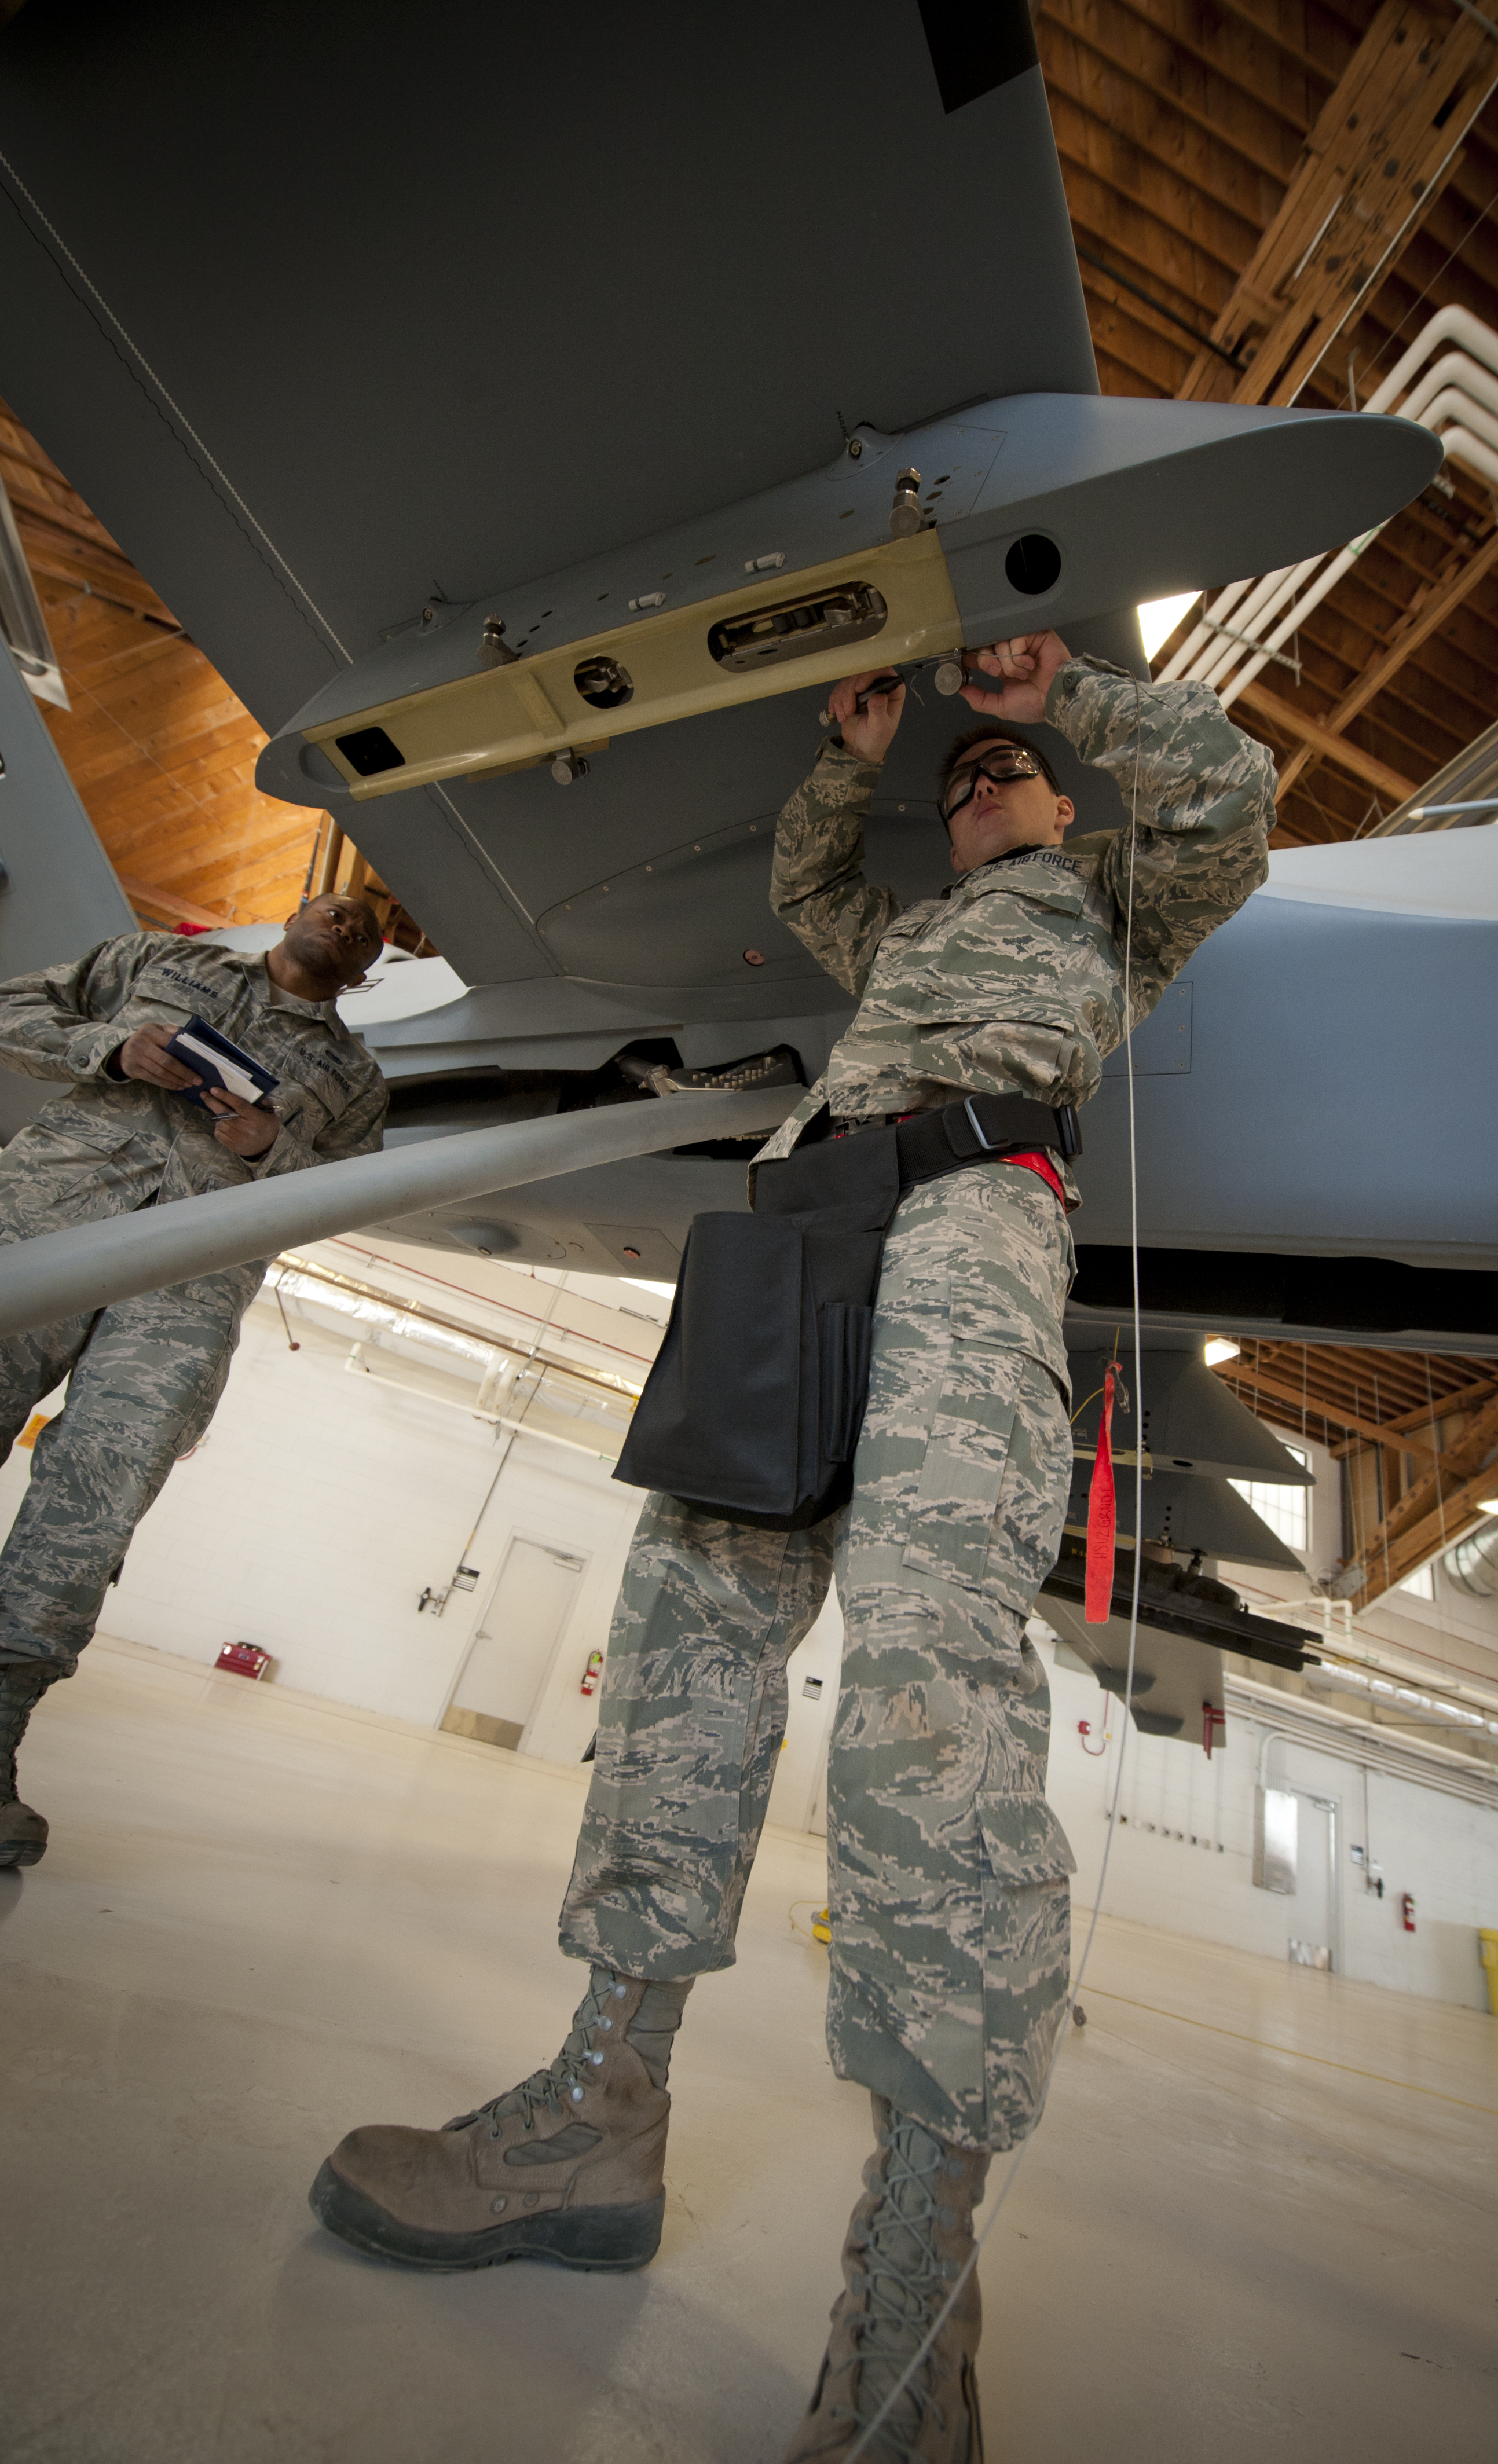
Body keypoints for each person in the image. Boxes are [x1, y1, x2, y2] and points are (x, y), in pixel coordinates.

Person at [311, 632, 1273, 2459]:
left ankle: (915, 2279)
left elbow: (1235, 797)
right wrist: (860, 757)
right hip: (809, 1220)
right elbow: (815, 883)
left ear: (1060, 799)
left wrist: (1049, 694)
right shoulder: (901, 933)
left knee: (929, 1670)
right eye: (957, 794)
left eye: (999, 781)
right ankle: (599, 2109)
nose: (974, 796)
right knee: (688, 1633)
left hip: (983, 1231)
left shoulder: (1124, 899)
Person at [0, 892, 388, 1871]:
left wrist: (274, 1148)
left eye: (366, 928)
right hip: (50, 1225)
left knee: (95, 1503)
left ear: (367, 967)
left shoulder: (353, 1076)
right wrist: (111, 1050)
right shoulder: (148, 964)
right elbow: (13, 1011)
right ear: (294, 913)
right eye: (336, 904)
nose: (346, 920)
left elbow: (343, 1193)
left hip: (187, 1293)